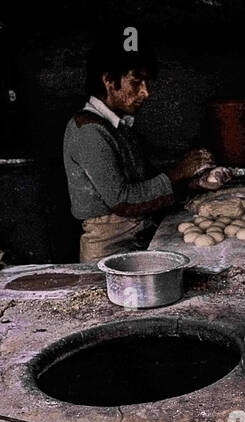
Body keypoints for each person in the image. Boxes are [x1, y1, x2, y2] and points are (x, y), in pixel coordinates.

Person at [63, 39, 218, 263]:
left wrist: (195, 182)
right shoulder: (89, 131)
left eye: (147, 82)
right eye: (137, 82)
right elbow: (123, 200)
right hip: (107, 251)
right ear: (108, 80)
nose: (146, 92)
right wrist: (180, 172)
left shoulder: (118, 126)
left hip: (135, 240)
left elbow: (147, 181)